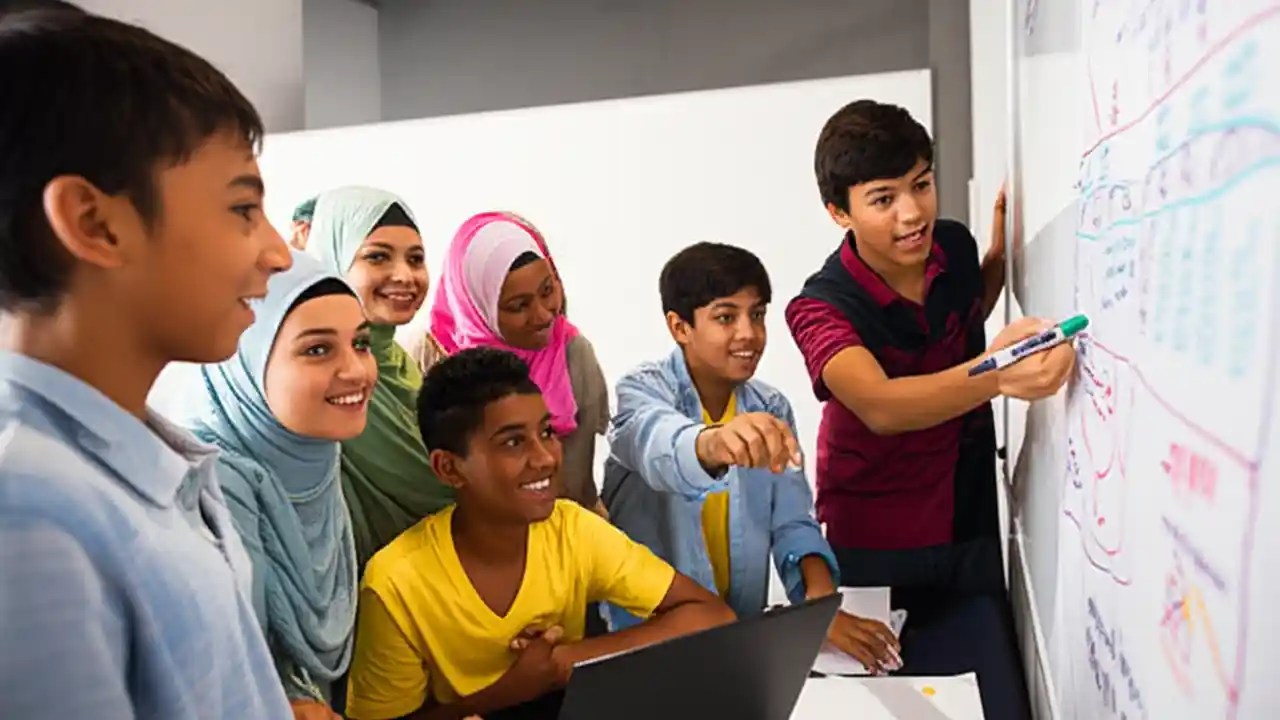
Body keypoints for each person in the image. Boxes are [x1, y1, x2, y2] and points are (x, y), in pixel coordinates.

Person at [0, 9, 294, 719]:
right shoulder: (30, 517)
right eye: (242, 208)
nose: (277, 252)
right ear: (96, 224)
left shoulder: (146, 465)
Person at [345, 348, 736, 720]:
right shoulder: (396, 584)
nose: (546, 457)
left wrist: (566, 662)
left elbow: (711, 615)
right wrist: (514, 687)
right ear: (449, 468)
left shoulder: (572, 529)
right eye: (513, 442)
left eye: (546, 432)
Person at [785, 99, 1073, 600]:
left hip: (969, 511)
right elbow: (880, 405)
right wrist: (998, 376)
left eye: (922, 184)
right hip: (875, 537)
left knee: (988, 669)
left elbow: (960, 314)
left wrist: (1003, 258)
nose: (913, 212)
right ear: (838, 213)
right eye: (883, 199)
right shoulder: (818, 308)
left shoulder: (954, 246)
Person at [603, 241, 901, 673]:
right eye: (726, 317)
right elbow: (657, 444)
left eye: (757, 315)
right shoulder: (641, 391)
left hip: (736, 641)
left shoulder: (771, 407)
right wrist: (715, 443)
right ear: (679, 327)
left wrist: (820, 610)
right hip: (650, 651)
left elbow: (793, 523)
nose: (749, 333)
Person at [187, 252, 376, 720]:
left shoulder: (316, 456)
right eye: (318, 349)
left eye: (362, 343)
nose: (355, 370)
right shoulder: (206, 491)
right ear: (243, 360)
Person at [306, 185, 455, 570]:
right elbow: (434, 485)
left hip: (435, 578)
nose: (404, 276)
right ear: (334, 259)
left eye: (416, 258)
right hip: (361, 582)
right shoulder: (324, 374)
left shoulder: (399, 359)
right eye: (377, 257)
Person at [431, 213, 608, 517]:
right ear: (478, 306)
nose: (543, 315)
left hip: (569, 535)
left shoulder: (572, 354)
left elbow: (580, 482)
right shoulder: (432, 359)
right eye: (518, 306)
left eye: (548, 290)